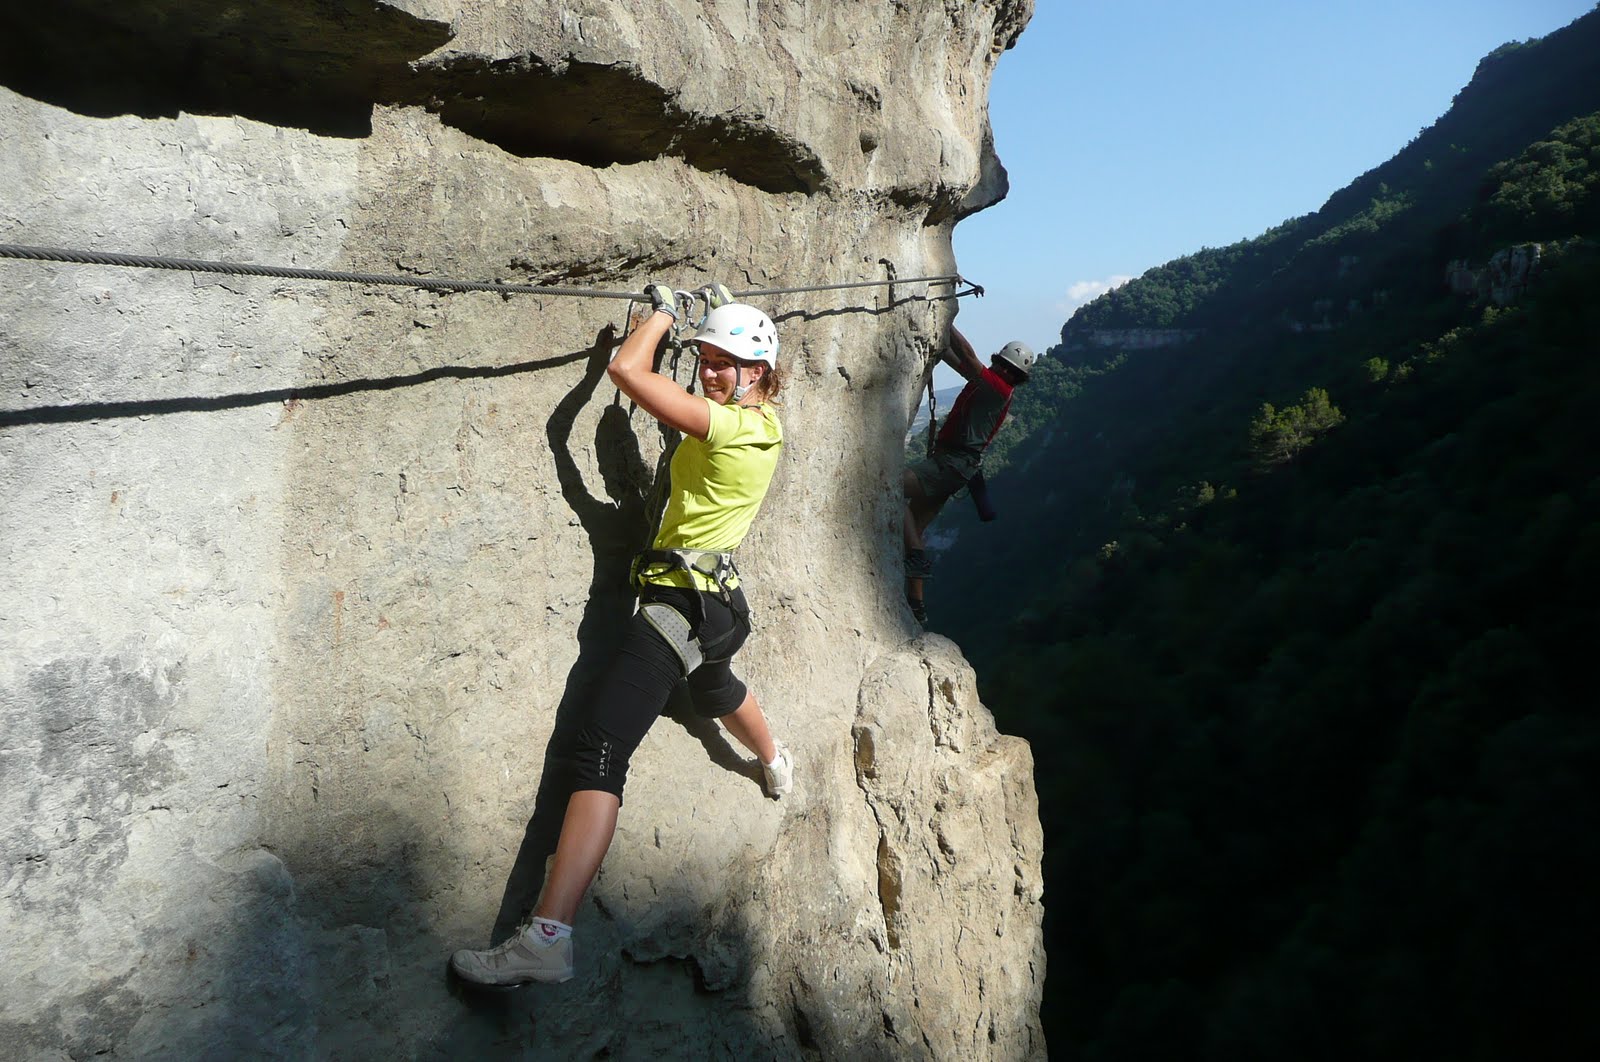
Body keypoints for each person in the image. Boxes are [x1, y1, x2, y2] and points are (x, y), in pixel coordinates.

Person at [451, 282, 793, 987]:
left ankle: (547, 937)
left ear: (756, 370)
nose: (708, 372)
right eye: (705, 361)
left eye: (723, 363)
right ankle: (772, 757)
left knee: (601, 749)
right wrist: (707, 326)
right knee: (714, 685)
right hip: (718, 607)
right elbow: (682, 420)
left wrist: (664, 315)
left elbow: (627, 376)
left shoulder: (726, 426)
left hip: (678, 607)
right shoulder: (761, 423)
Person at [902, 327, 1035, 623]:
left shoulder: (996, 389)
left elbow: (966, 353)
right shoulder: (987, 384)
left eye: (1006, 368)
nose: (1001, 369)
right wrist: (934, 335)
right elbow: (953, 357)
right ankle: (916, 604)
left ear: (1011, 374)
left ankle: (914, 553)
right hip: (955, 468)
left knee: (890, 490)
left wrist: (944, 315)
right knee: (914, 526)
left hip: (949, 465)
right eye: (1001, 365)